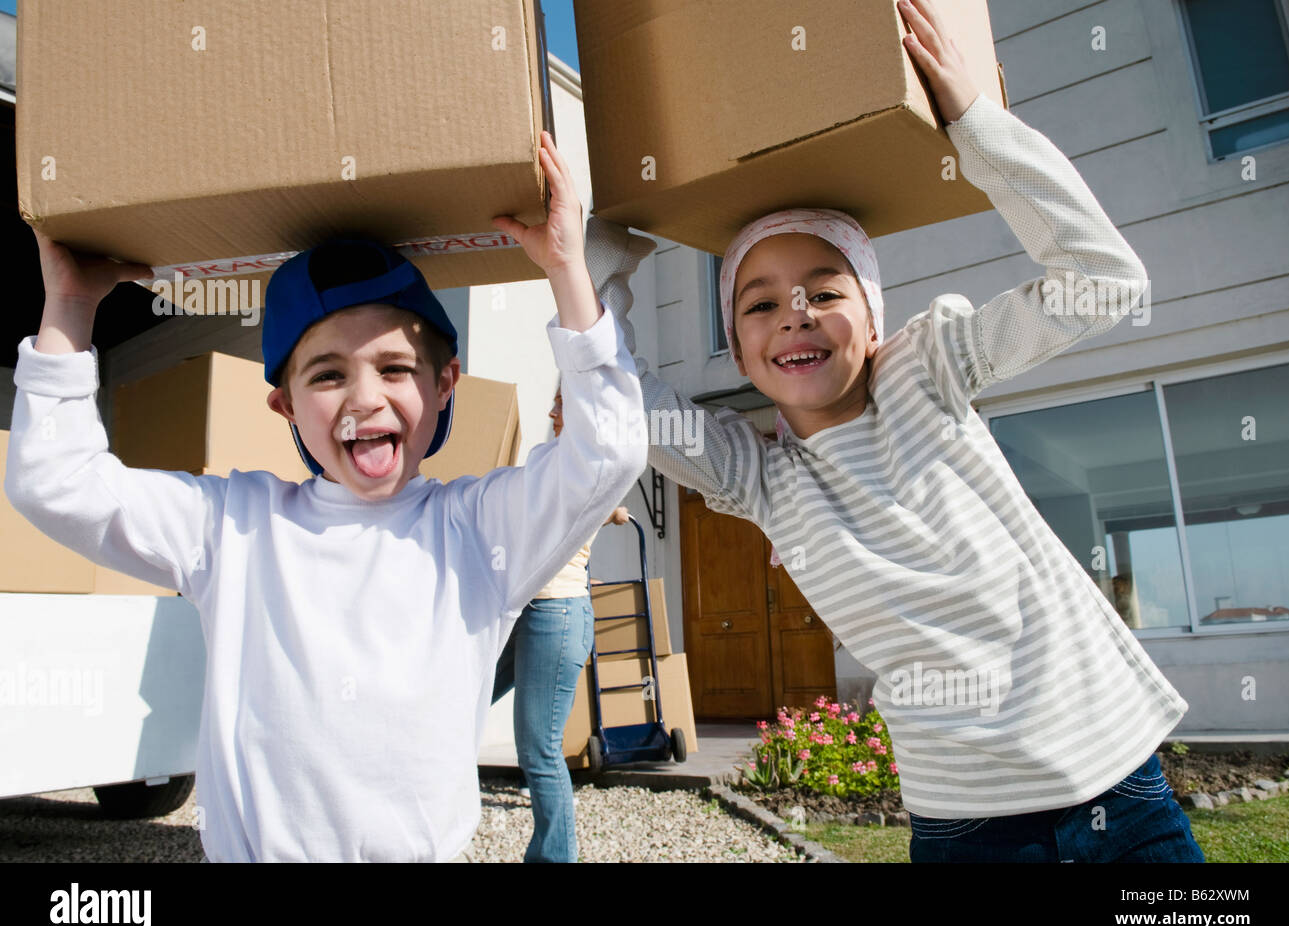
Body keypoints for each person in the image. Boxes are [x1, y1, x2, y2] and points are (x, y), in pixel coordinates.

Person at [582, 0, 1202, 862]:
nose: (793, 314)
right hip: (969, 828)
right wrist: (598, 269)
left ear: (874, 317)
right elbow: (619, 401)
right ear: (739, 346)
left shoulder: (932, 366)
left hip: (1117, 787)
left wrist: (976, 126)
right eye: (758, 303)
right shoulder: (762, 479)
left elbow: (1102, 280)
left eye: (825, 291)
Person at [4, 131, 647, 862]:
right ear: (286, 407)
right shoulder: (235, 527)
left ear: (445, 386)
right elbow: (53, 482)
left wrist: (566, 268)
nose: (364, 398)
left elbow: (611, 449)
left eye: (396, 367)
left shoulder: (478, 530)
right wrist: (70, 306)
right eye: (328, 374)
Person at [490, 387, 630, 862]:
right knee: (464, 692)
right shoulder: (554, 457)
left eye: (563, 403)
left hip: (557, 613)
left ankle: (555, 856)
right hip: (524, 608)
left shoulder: (592, 465)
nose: (551, 410)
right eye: (553, 401)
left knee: (539, 751)